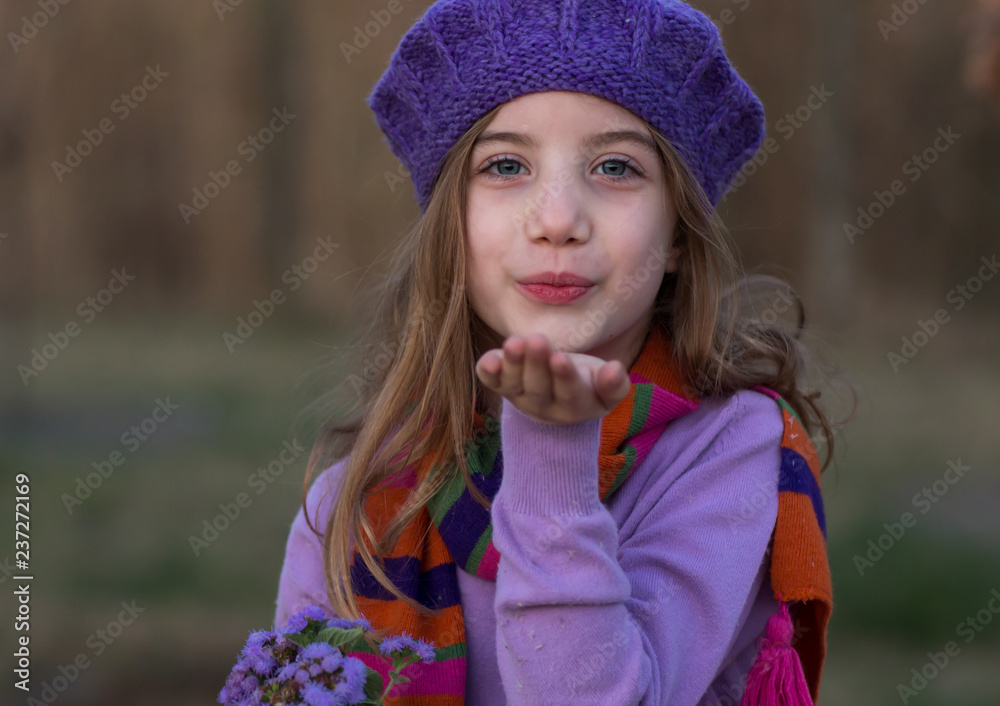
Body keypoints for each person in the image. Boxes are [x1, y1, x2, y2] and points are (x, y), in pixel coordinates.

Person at [273, 1, 857, 703]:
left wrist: (553, 452)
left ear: (677, 234)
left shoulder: (731, 451)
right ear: (449, 226)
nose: (557, 219)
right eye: (506, 165)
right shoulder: (358, 502)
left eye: (615, 166)